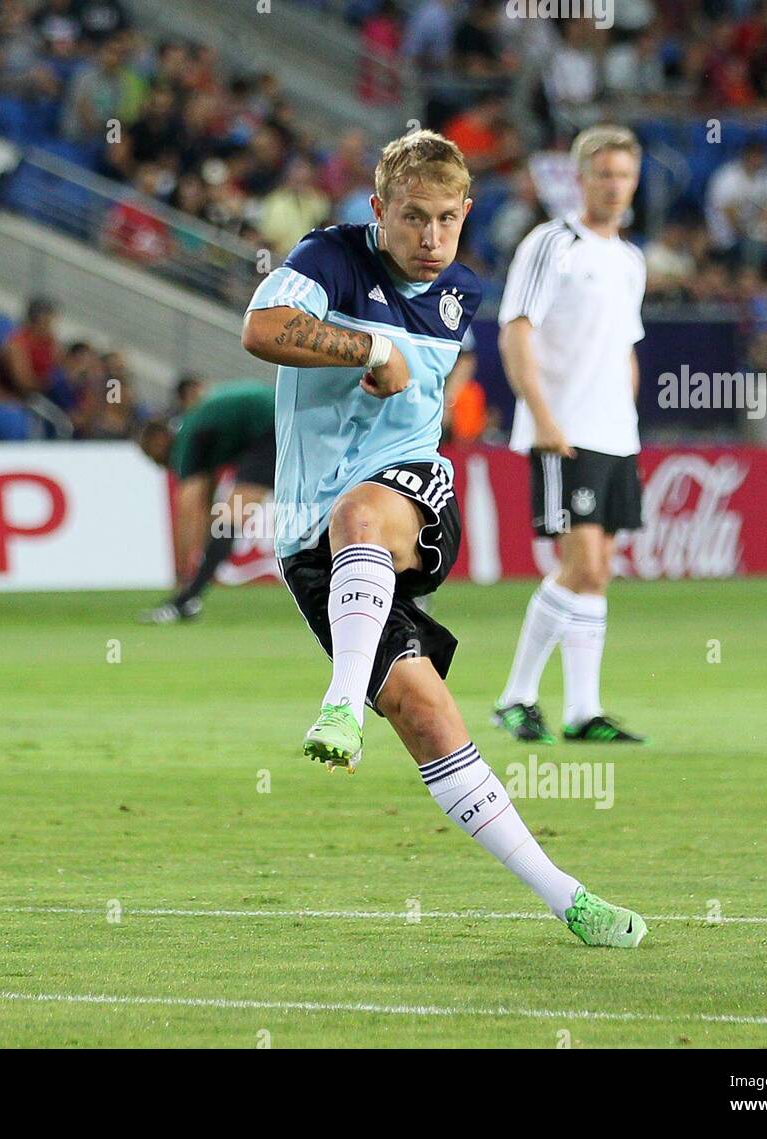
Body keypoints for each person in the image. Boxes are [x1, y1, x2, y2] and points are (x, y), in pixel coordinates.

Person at [241, 129, 646, 948]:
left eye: (447, 222)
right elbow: (260, 326)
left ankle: (337, 701)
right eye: (413, 219)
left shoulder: (460, 291)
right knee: (427, 716)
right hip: (307, 541)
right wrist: (368, 346)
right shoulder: (329, 258)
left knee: (363, 509)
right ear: (377, 210)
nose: (431, 241)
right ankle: (569, 897)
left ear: (466, 215)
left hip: (411, 497)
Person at [493, 125, 649, 746]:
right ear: (581, 178)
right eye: (604, 174)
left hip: (616, 433)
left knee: (600, 570)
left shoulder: (631, 259)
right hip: (565, 430)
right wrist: (543, 417)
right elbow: (516, 330)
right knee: (579, 561)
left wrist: (629, 418)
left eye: (625, 176)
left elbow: (626, 351)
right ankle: (515, 696)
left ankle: (584, 711)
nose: (615, 186)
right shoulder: (551, 243)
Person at [138, 380, 275, 624]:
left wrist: (180, 579)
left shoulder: (186, 443)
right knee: (227, 522)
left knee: (229, 521)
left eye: (150, 455)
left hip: (271, 429)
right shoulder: (202, 432)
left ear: (159, 440)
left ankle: (184, 600)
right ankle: (189, 598)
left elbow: (188, 512)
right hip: (283, 417)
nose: (155, 464)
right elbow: (206, 504)